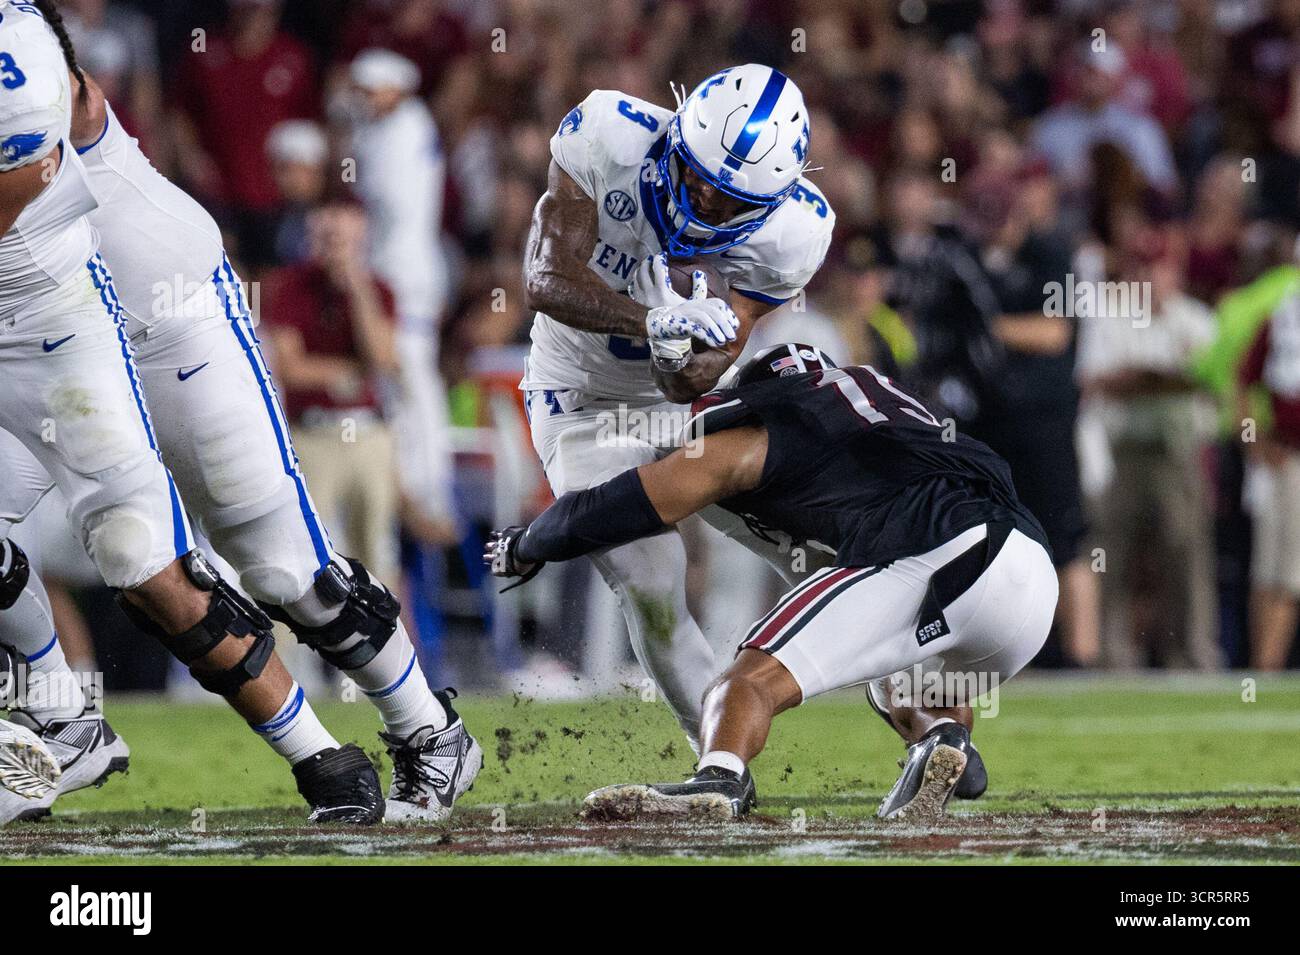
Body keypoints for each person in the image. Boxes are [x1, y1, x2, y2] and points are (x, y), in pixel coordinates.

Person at [0, 36, 480, 824]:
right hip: (30, 343)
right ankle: (63, 714)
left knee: (290, 571)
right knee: (124, 549)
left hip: (163, 317)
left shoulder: (18, 58)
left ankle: (431, 730)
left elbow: (28, 173)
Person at [487, 344, 1056, 821]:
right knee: (897, 678)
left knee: (745, 682)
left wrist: (528, 542)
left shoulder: (766, 428)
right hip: (1029, 578)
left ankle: (719, 778)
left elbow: (631, 501)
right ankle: (942, 738)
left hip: (942, 553)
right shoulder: (886, 409)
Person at [519, 64, 834, 749]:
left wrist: (673, 353)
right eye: (695, 176)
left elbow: (691, 382)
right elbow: (544, 279)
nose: (702, 203)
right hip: (579, 394)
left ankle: (924, 715)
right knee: (651, 578)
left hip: (693, 409)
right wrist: (647, 321)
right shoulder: (608, 131)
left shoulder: (796, 231)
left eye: (726, 202)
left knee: (823, 549)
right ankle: (718, 757)